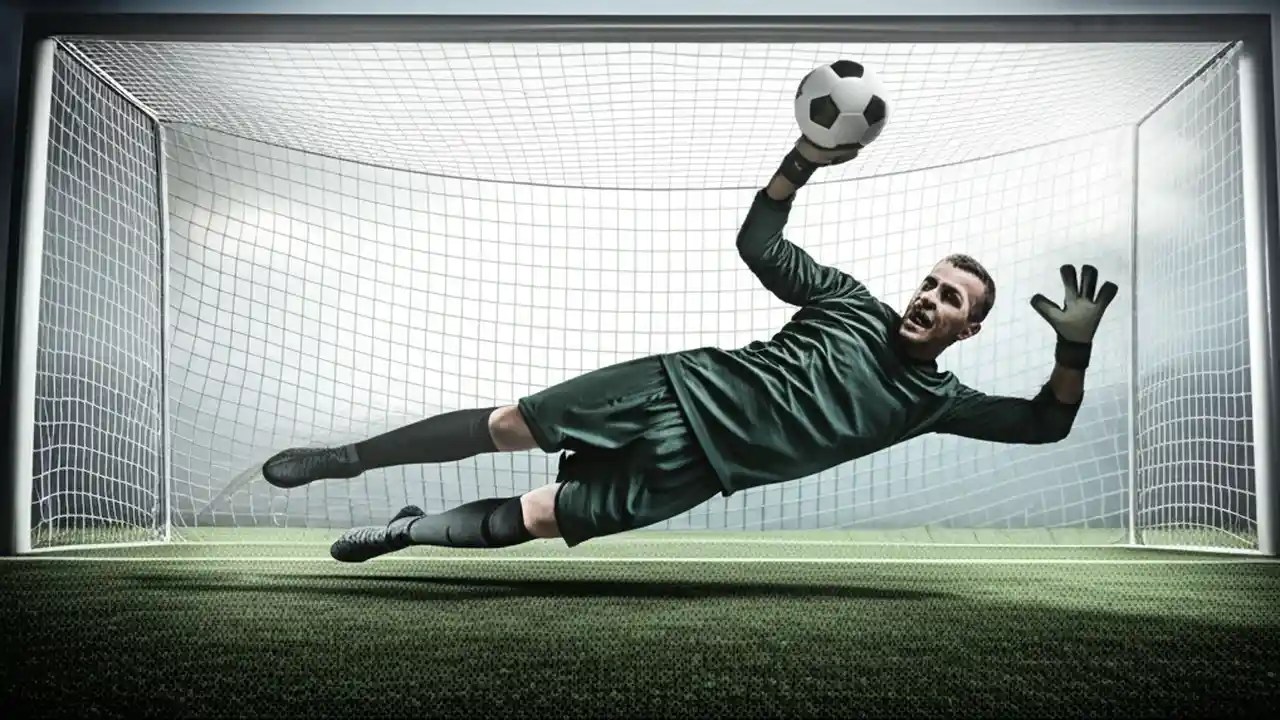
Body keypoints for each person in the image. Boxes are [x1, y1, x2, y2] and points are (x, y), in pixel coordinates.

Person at [261, 137, 1118, 562]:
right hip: (672, 388)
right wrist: (804, 161)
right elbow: (758, 244)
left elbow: (1045, 425)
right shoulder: (849, 300)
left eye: (953, 301)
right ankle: (349, 458)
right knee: (510, 423)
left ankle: (409, 536)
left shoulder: (936, 401)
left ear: (968, 331)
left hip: (701, 469)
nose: (931, 298)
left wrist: (1072, 349)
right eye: (932, 283)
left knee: (534, 516)